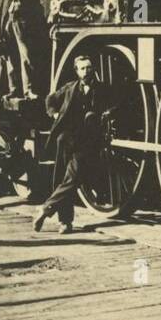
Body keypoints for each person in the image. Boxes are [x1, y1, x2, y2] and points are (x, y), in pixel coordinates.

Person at [33, 53, 110, 234]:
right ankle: (65, 222)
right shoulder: (70, 88)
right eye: (83, 68)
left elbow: (115, 105)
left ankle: (45, 209)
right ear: (77, 71)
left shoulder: (102, 89)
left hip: (86, 142)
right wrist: (54, 114)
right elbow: (50, 100)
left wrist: (105, 115)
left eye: (89, 68)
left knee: (72, 178)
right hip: (65, 140)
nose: (86, 71)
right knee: (61, 179)